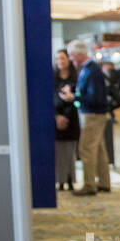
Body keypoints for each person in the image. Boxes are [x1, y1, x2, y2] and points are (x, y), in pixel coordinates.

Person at [66, 40, 111, 195]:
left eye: (71, 55)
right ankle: (104, 182)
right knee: (99, 148)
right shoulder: (89, 69)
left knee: (86, 148)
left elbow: (94, 97)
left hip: (92, 115)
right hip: (94, 113)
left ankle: (89, 184)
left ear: (79, 54)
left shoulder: (91, 70)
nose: (70, 59)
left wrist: (74, 97)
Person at [53, 50, 80, 191]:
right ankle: (60, 180)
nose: (60, 61)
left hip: (71, 119)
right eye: (57, 58)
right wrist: (57, 116)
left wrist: (67, 116)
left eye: (62, 58)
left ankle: (70, 179)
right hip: (56, 119)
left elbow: (78, 99)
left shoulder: (76, 78)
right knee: (58, 151)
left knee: (70, 151)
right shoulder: (52, 79)